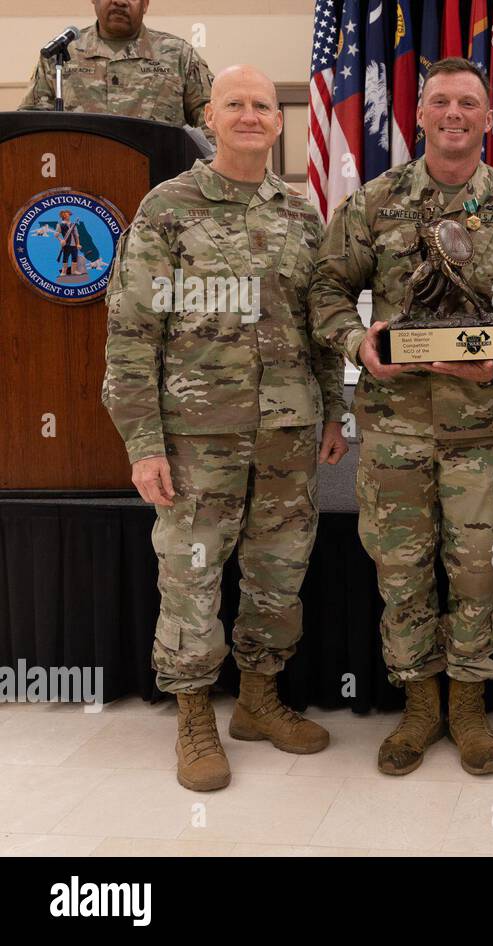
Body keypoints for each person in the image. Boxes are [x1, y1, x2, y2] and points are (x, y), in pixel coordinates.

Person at [309, 57, 493, 777]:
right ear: (419, 115)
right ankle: (420, 702)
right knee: (400, 570)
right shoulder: (374, 203)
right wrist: (357, 341)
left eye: (469, 104)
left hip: (477, 431)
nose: (454, 114)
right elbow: (325, 290)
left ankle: (468, 705)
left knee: (479, 571)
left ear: (489, 119)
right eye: (440, 102)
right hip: (393, 428)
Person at [103, 65, 346, 792]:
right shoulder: (168, 208)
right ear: (210, 118)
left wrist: (333, 410)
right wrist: (143, 443)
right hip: (196, 435)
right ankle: (193, 714)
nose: (249, 115)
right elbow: (130, 331)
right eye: (234, 104)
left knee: (278, 571)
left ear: (279, 122)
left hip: (287, 433)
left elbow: (321, 323)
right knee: (192, 573)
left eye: (261, 106)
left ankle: (260, 700)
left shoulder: (302, 213)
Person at [20, 0, 213, 135]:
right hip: (78, 178)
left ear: (145, 4)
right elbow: (30, 124)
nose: (120, 1)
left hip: (158, 182)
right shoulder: (61, 55)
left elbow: (213, 120)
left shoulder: (178, 54)